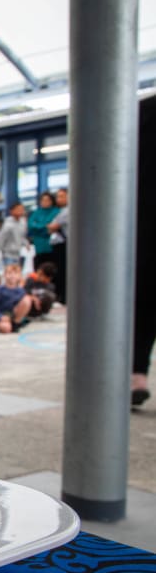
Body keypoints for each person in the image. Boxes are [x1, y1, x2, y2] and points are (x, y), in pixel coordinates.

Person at [133, 93, 155, 406]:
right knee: (144, 297)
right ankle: (136, 372)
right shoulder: (144, 113)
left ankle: (136, 372)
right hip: (145, 227)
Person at [0, 263, 35, 334]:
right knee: (6, 328)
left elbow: (22, 305)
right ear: (4, 275)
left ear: (19, 276)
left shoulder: (21, 291)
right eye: (9, 273)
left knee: (27, 299)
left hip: (13, 314)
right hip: (2, 314)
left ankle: (16, 323)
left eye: (15, 273)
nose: (12, 276)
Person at [48, 188, 70, 304]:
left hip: (64, 245)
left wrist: (51, 227)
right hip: (63, 243)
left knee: (63, 271)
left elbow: (52, 226)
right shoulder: (61, 211)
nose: (58, 199)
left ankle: (63, 297)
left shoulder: (67, 211)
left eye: (62, 196)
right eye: (57, 196)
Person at [28, 191, 60, 270]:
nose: (45, 202)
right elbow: (31, 226)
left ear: (52, 201)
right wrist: (45, 227)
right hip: (39, 248)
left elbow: (52, 226)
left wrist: (39, 228)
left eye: (47, 200)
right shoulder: (36, 212)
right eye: (43, 200)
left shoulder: (56, 211)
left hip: (52, 248)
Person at [0, 202, 28, 270]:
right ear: (12, 211)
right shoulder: (7, 224)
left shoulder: (23, 222)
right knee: (9, 273)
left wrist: (26, 243)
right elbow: (0, 239)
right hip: (8, 254)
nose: (21, 211)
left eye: (22, 209)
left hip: (18, 254)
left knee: (17, 273)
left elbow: (22, 236)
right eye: (18, 209)